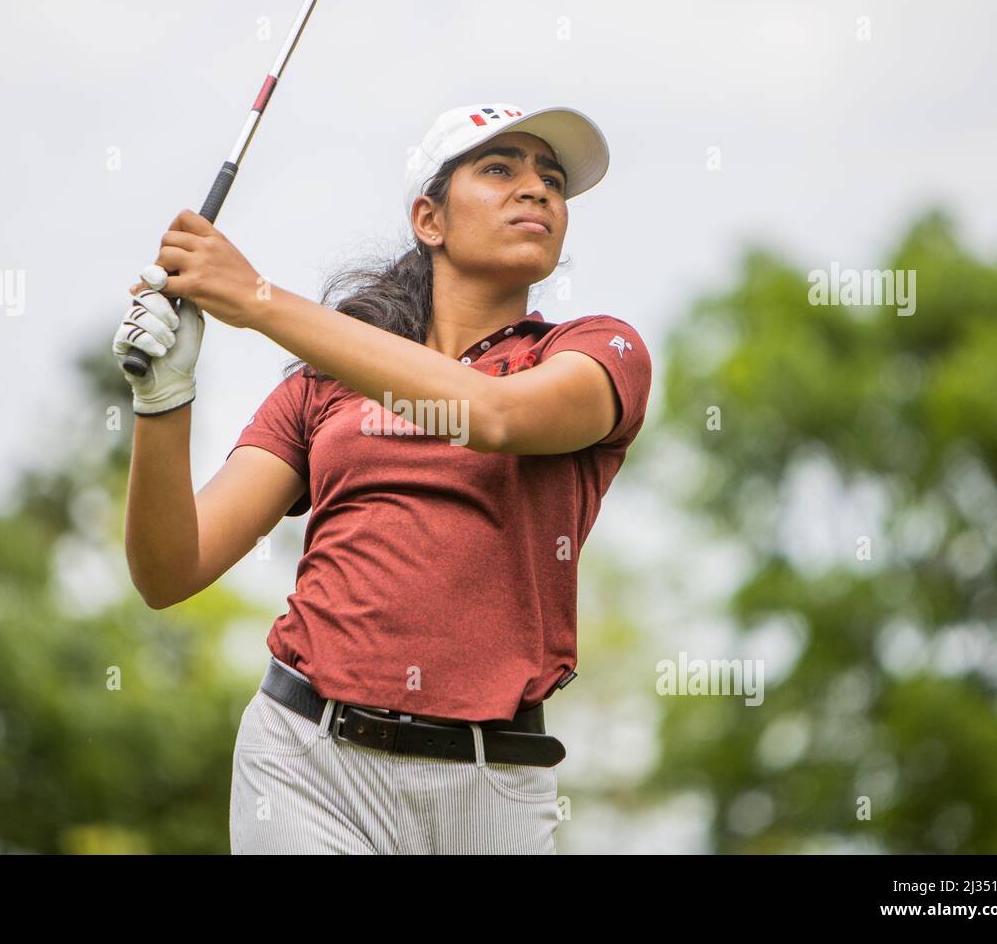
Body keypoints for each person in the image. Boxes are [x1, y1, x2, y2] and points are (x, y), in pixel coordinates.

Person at [112, 102, 652, 854]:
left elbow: (492, 416)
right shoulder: (321, 385)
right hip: (306, 764)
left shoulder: (597, 351)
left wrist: (260, 300)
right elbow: (169, 570)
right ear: (429, 220)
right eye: (500, 169)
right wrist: (162, 402)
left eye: (552, 180)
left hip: (495, 789)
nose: (537, 190)